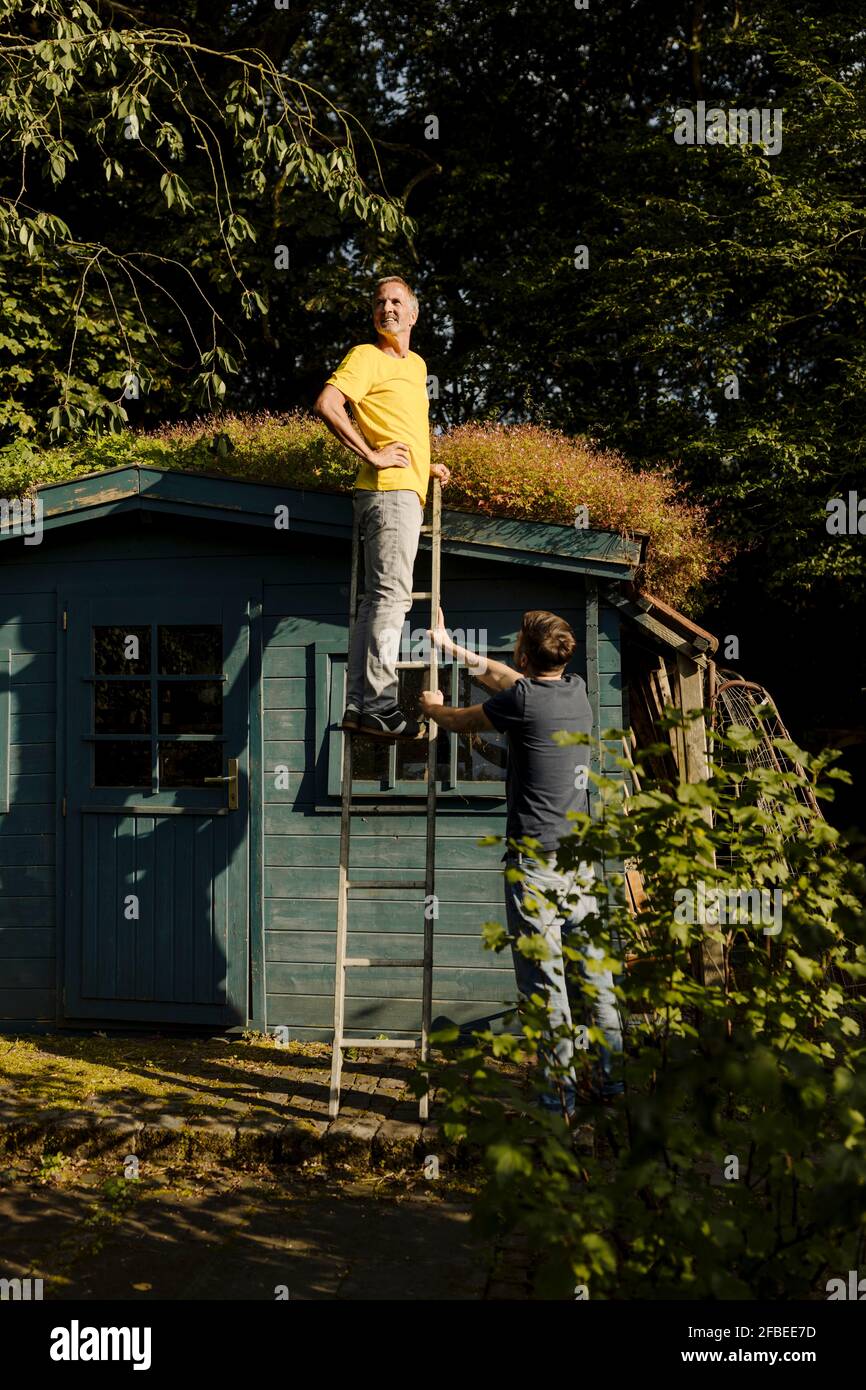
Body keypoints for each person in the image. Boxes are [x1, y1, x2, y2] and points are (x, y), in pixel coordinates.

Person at [418, 609, 624, 1115]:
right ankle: (613, 1086)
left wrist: (432, 708)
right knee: (595, 978)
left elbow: (460, 719)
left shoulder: (523, 702)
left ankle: (559, 1104)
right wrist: (451, 647)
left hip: (536, 868)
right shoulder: (573, 691)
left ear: (527, 655)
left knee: (545, 987)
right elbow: (506, 679)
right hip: (579, 864)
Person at [315, 276, 450, 742]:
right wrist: (371, 456)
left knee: (378, 600)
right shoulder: (365, 356)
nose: (387, 309)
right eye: (379, 303)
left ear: (413, 314)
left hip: (405, 489)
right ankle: (379, 704)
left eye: (396, 302)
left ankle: (358, 706)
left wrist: (427, 465)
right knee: (392, 598)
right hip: (388, 492)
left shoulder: (416, 365)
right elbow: (328, 403)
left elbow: (399, 424)